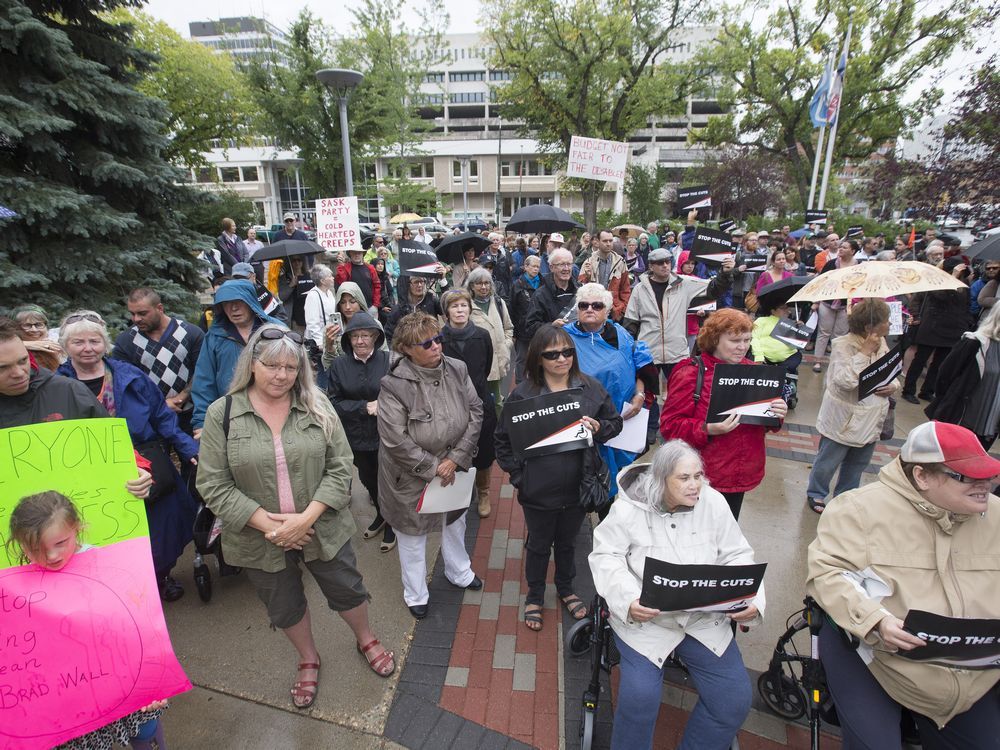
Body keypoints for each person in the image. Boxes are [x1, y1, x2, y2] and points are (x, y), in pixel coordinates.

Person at [198, 325, 395, 709]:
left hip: (321, 526)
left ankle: (365, 638)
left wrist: (305, 520)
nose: (281, 375)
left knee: (347, 587)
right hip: (258, 536)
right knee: (283, 602)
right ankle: (308, 657)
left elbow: (341, 467)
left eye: (290, 367)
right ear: (252, 364)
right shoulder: (222, 414)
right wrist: (270, 526)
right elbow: (212, 483)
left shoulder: (317, 405)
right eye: (271, 365)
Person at [806, 421, 1000, 749]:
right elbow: (826, 574)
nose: (984, 485)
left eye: (989, 475)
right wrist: (875, 619)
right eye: (967, 477)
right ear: (922, 476)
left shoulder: (995, 516)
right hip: (879, 657)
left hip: (970, 674)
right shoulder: (858, 510)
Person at [589, 441, 764, 750]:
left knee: (733, 700)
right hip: (647, 623)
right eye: (684, 478)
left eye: (698, 475)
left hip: (702, 620)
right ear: (661, 479)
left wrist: (751, 599)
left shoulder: (714, 502)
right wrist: (629, 600)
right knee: (639, 700)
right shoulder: (629, 508)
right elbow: (606, 556)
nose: (695, 485)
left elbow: (737, 554)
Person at [7, 491, 171, 749]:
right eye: (36, 549)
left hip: (124, 681)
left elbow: (140, 629)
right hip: (67, 698)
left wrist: (156, 685)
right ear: (20, 544)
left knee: (145, 729)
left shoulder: (109, 568)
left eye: (61, 542)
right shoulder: (13, 593)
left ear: (78, 528)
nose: (51, 556)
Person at [57, 310, 199, 601]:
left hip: (145, 462)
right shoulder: (56, 386)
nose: (88, 348)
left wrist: (188, 448)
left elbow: (162, 417)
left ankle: (161, 575)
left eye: (94, 341)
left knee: (163, 525)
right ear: (65, 346)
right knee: (107, 530)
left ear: (104, 343)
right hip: (90, 470)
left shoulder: (129, 375)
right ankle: (117, 587)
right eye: (79, 342)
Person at [496, 324, 622, 631]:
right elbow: (502, 440)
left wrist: (599, 428)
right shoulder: (522, 395)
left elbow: (614, 423)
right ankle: (535, 596)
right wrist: (518, 476)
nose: (561, 359)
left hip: (579, 485)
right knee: (539, 545)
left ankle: (566, 589)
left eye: (567, 352)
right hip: (537, 490)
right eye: (552, 354)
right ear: (539, 358)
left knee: (568, 543)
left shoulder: (590, 388)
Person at [376, 312, 484, 619]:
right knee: (412, 535)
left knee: (455, 521)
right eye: (426, 343)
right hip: (410, 475)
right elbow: (394, 438)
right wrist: (434, 466)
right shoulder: (393, 385)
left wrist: (456, 458)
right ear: (407, 349)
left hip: (455, 466)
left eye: (438, 339)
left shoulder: (457, 368)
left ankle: (458, 571)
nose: (436, 346)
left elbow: (476, 411)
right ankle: (416, 593)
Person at [660, 308, 788, 520]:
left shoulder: (755, 371)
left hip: (741, 472)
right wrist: (708, 429)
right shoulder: (691, 372)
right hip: (700, 474)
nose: (742, 347)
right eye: (735, 340)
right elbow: (670, 425)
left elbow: (765, 421)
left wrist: (777, 412)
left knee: (726, 533)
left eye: (747, 340)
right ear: (715, 339)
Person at [805, 300, 898, 514]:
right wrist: (864, 353)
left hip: (871, 416)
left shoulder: (882, 343)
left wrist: (891, 386)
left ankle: (846, 496)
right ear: (869, 326)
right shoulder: (842, 345)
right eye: (885, 320)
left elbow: (892, 372)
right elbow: (844, 381)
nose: (889, 324)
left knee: (858, 463)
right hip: (843, 418)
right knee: (828, 460)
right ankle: (816, 493)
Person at [566, 283, 656, 499]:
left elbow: (640, 368)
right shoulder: (563, 337)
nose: (590, 309)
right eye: (583, 305)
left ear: (607, 311)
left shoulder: (621, 334)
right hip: (580, 420)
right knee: (580, 474)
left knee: (613, 477)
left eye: (597, 305)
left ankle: (607, 513)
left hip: (620, 418)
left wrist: (640, 395)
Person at [324, 312, 396, 552]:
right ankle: (381, 514)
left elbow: (401, 395)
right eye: (355, 336)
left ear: (376, 337)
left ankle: (391, 525)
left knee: (387, 481)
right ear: (349, 339)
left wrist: (382, 404)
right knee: (367, 479)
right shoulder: (339, 365)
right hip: (354, 436)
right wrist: (363, 407)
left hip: (385, 434)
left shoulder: (388, 361)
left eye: (366, 335)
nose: (361, 341)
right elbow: (333, 402)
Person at [623, 248, 736, 383]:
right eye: (660, 263)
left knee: (680, 395)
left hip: (677, 352)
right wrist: (630, 352)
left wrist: (725, 273)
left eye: (667, 261)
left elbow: (714, 289)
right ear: (651, 266)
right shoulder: (639, 289)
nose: (665, 265)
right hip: (648, 352)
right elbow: (631, 322)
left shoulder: (684, 283)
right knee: (647, 398)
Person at [191, 280, 286, 436]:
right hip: (232, 416)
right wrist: (201, 422)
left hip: (275, 410)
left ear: (250, 301)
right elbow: (204, 381)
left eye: (238, 302)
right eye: (226, 303)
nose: (233, 308)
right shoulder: (215, 337)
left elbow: (296, 370)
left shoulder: (276, 330)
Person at [112, 288, 204, 432]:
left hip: (190, 412)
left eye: (142, 313)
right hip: (151, 417)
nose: (136, 319)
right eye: (132, 314)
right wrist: (160, 404)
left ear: (159, 308)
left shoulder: (191, 333)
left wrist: (180, 398)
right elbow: (126, 382)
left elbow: (203, 370)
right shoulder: (126, 341)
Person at [440, 289, 497, 517]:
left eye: (463, 305)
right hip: (451, 405)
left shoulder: (482, 335)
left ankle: (483, 491)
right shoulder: (439, 339)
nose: (460, 310)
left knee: (482, 452)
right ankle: (460, 491)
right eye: (455, 306)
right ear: (447, 312)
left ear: (470, 309)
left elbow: (486, 366)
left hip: (480, 403)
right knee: (456, 450)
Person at [926, 304, 1000, 450]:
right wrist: (947, 402)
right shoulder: (974, 343)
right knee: (944, 467)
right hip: (961, 419)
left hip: (989, 427)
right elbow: (945, 374)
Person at [902, 256, 972, 404]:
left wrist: (966, 323)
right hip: (932, 326)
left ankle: (927, 390)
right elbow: (940, 297)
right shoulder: (936, 281)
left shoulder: (964, 284)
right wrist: (952, 277)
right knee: (920, 359)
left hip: (954, 328)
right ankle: (908, 390)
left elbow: (965, 305)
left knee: (940, 362)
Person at [464, 267, 513, 412]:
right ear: (471, 285)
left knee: (498, 401)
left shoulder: (498, 302)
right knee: (478, 402)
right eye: (479, 283)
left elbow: (508, 328)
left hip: (499, 361)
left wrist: (506, 344)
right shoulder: (467, 306)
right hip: (478, 364)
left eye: (487, 283)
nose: (484, 286)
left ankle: (497, 431)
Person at [810, 239, 858, 373]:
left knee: (840, 335)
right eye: (840, 247)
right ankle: (817, 361)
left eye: (845, 247)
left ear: (853, 251)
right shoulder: (831, 264)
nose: (841, 249)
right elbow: (821, 282)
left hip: (846, 305)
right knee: (823, 332)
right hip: (827, 302)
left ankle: (835, 362)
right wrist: (816, 302)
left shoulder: (858, 267)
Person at [524, 248, 579, 339]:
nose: (566, 268)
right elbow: (530, 327)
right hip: (552, 346)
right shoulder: (540, 294)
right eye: (561, 264)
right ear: (551, 267)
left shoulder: (580, 291)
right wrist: (551, 326)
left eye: (569, 264)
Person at [579, 229, 632, 321]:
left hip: (614, 313)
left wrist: (622, 309)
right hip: (594, 311)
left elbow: (626, 290)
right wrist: (587, 277)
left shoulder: (620, 262)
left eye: (610, 241)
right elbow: (580, 291)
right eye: (605, 241)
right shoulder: (588, 262)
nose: (608, 243)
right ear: (597, 242)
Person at [321, 281, 371, 366]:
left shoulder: (373, 325)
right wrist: (329, 346)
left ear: (360, 302)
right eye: (342, 302)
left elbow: (383, 358)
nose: (347, 307)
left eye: (352, 301)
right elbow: (328, 366)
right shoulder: (331, 330)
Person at [509, 254, 542, 383]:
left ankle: (538, 381)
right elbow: (512, 308)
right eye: (533, 266)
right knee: (522, 358)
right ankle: (520, 383)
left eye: (538, 267)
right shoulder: (518, 284)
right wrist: (513, 331)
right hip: (523, 327)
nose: (536, 269)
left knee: (540, 356)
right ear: (526, 267)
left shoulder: (543, 282)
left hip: (539, 326)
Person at [384, 276, 441, 343]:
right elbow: (389, 336)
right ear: (407, 285)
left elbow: (447, 307)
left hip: (431, 346)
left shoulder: (431, 301)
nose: (420, 285)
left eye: (422, 281)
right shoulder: (398, 310)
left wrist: (443, 280)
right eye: (416, 282)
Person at [10, 303, 62, 371]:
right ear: (16, 328)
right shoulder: (11, 349)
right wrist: (23, 344)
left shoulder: (59, 338)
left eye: (39, 324)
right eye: (27, 325)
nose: (34, 330)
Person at [302, 263, 337, 349]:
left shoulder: (329, 293)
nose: (333, 278)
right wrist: (319, 342)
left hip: (329, 337)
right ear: (322, 281)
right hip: (318, 342)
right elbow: (312, 322)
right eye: (330, 276)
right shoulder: (313, 296)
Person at [278, 255, 314, 331]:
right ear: (290, 262)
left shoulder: (310, 276)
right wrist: (291, 285)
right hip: (294, 316)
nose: (297, 262)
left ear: (302, 262)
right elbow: (282, 296)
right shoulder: (284, 278)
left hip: (309, 313)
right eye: (294, 260)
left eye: (299, 260)